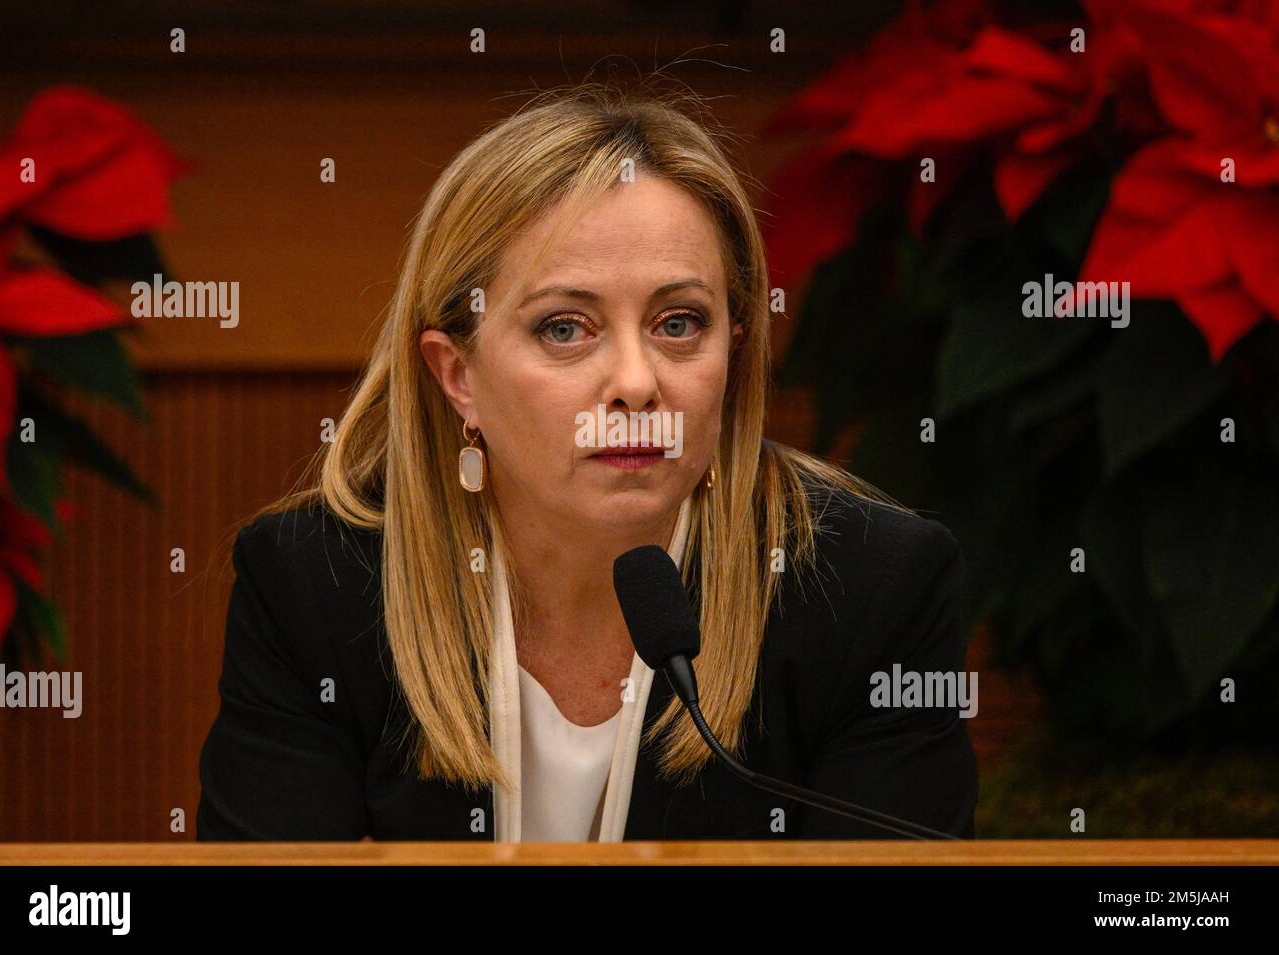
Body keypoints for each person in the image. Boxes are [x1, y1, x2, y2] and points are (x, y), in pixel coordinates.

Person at [196, 82, 977, 842]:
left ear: (732, 354)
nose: (637, 383)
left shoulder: (866, 587)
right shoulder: (318, 586)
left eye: (679, 323)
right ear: (457, 375)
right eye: (565, 329)